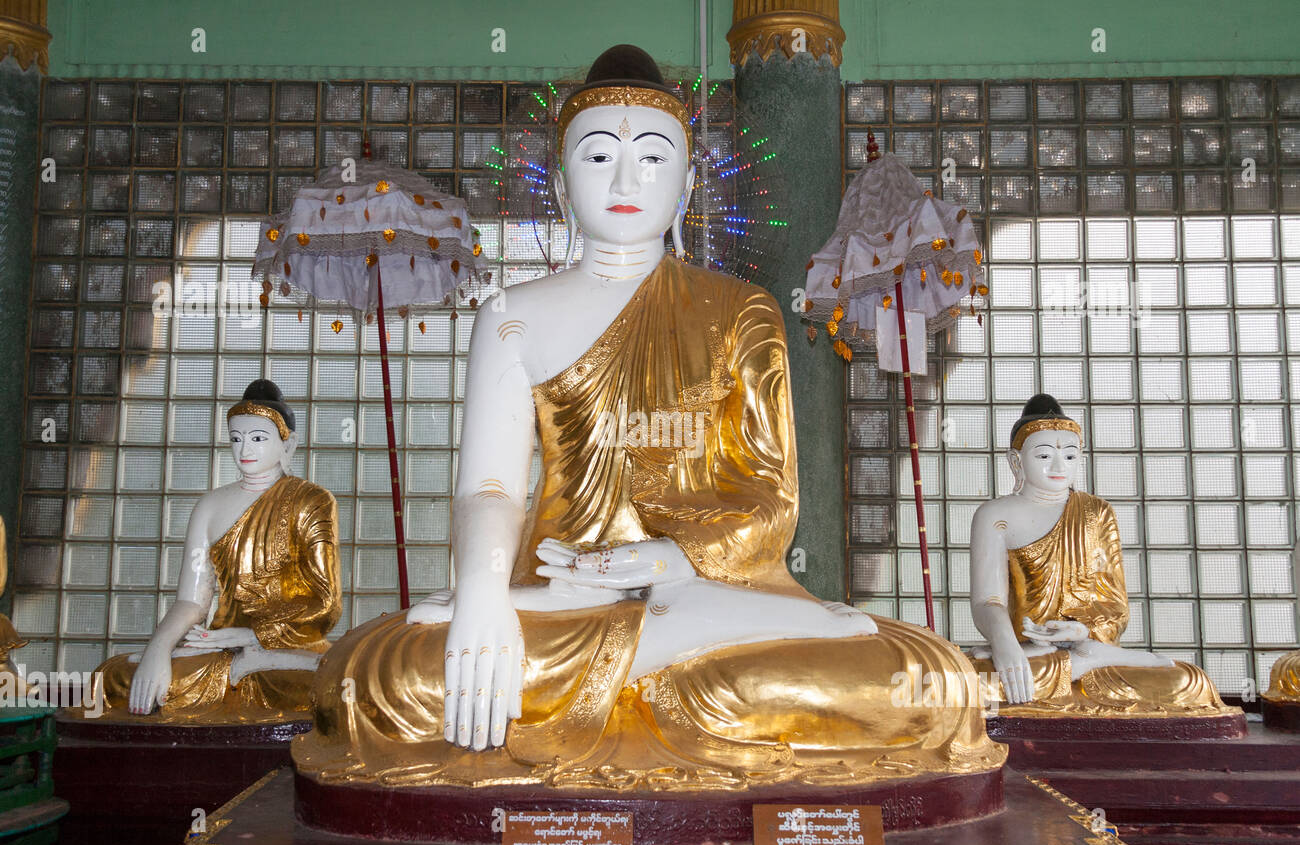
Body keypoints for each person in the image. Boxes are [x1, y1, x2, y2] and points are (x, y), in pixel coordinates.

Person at [293, 45, 1001, 791]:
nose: (627, 180)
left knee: (930, 681)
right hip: (554, 600)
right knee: (371, 678)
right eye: (598, 157)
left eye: (654, 159)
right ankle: (664, 659)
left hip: (705, 585)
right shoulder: (511, 316)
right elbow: (490, 492)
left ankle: (672, 639)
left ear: (688, 182)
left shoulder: (741, 312)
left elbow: (772, 502)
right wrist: (479, 598)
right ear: (563, 185)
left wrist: (668, 561)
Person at [72, 380, 341, 724]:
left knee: (332, 686)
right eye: (236, 438)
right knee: (108, 679)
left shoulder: (311, 501)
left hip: (292, 646)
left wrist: (253, 635)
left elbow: (326, 603)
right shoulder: (210, 506)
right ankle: (240, 667)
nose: (245, 448)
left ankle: (253, 664)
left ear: (288, 444)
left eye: (258, 438)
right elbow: (191, 602)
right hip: (218, 647)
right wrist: (159, 649)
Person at [968, 393, 1232, 716]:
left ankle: (1086, 659)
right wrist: (1005, 645)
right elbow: (987, 602)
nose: (1057, 467)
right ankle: (1074, 664)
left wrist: (1080, 631)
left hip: (1090, 654)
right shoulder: (995, 515)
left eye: (1069, 456)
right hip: (1027, 653)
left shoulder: (1096, 513)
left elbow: (1113, 604)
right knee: (964, 683)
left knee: (1189, 682)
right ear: (1016, 461)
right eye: (1044, 456)